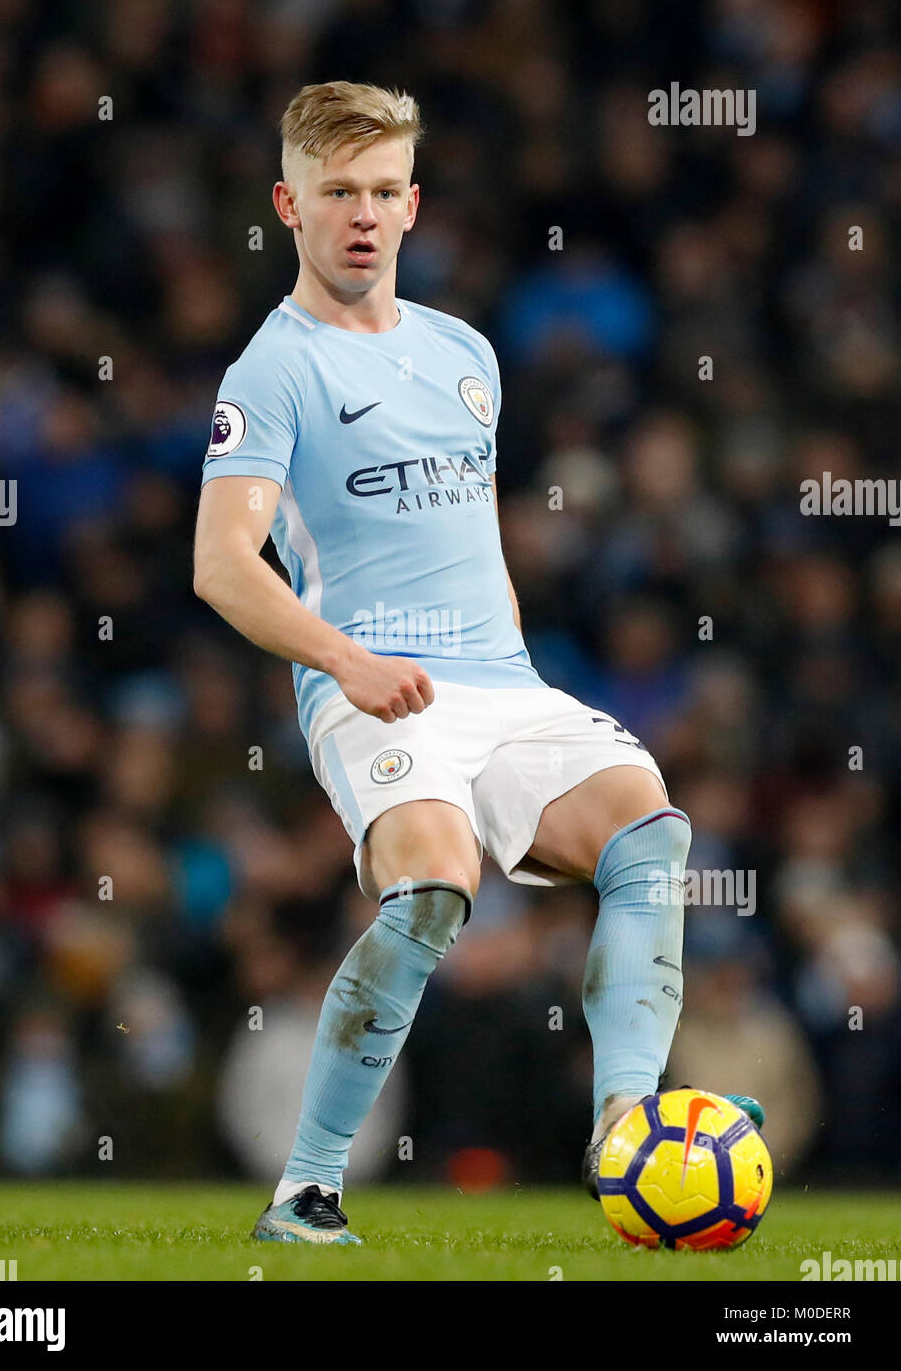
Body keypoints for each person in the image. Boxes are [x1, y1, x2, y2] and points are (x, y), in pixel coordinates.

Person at [192, 81, 760, 1245]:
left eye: (383, 191)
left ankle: (626, 1134)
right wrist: (343, 663)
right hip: (374, 689)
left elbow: (478, 533)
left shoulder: (465, 353)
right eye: (336, 191)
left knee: (650, 832)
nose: (362, 213)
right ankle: (307, 1188)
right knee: (435, 888)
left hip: (500, 683)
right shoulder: (272, 372)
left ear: (414, 206)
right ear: (286, 204)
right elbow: (223, 566)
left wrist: (518, 668)